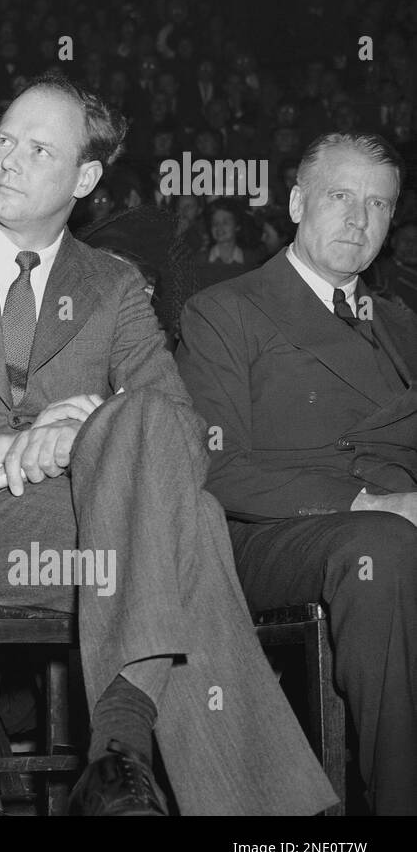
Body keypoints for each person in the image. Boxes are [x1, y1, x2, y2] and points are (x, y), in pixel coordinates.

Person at [0, 70, 337, 815]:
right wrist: (9, 449)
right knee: (187, 525)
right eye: (4, 140)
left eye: (37, 149)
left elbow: (178, 430)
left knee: (163, 464)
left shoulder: (113, 287)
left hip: (88, 539)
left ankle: (118, 767)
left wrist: (85, 427)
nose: (7, 159)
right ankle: (181, 772)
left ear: (87, 175)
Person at [176, 132, 417, 814]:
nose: (358, 220)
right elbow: (218, 466)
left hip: (398, 520)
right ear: (295, 202)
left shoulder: (403, 326)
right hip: (281, 532)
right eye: (340, 197)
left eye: (379, 204)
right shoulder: (226, 310)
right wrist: (374, 502)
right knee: (383, 549)